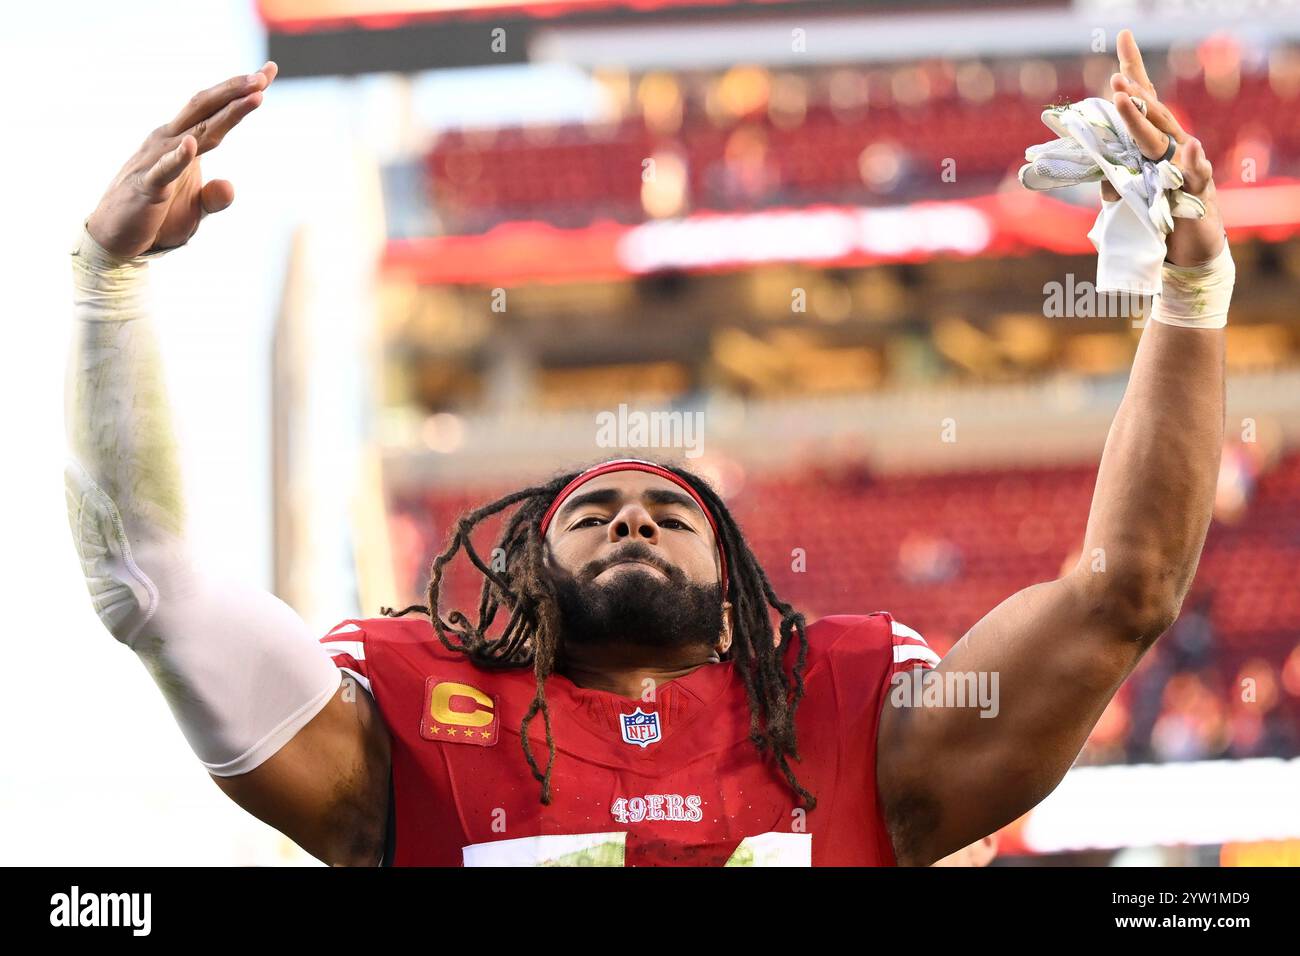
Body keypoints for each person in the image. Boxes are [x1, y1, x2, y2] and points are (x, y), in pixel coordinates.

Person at [66, 31, 1234, 866]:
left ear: (737, 589)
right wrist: (106, 284)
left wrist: (1190, 285)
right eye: (596, 509)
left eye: (673, 512)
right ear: (525, 575)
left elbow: (1120, 590)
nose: (634, 515)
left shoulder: (858, 731)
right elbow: (147, 585)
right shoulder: (409, 738)